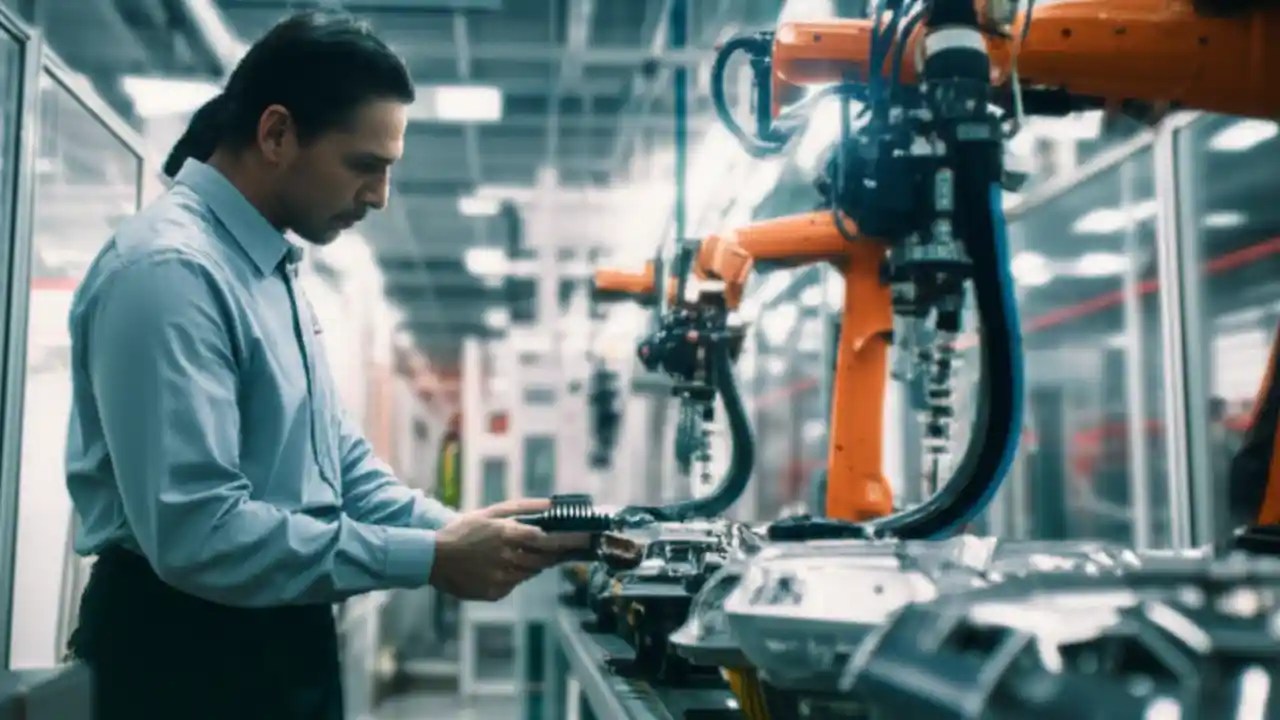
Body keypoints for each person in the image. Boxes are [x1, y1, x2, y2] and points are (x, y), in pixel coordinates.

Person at [63, 11, 584, 720]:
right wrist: (429, 557)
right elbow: (198, 533)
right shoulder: (172, 272)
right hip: (181, 658)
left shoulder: (266, 268)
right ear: (276, 133)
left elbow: (336, 462)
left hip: (274, 636)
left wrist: (462, 534)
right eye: (365, 167)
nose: (378, 197)